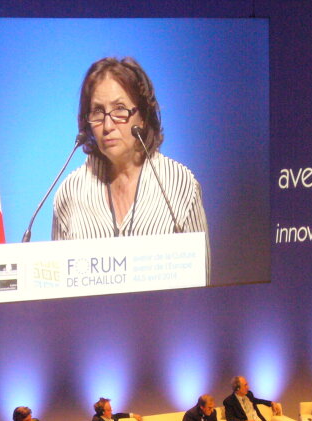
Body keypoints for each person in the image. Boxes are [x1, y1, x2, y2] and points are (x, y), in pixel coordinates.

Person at [52, 57, 210, 279]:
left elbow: (202, 281)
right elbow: (60, 291)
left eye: (120, 109)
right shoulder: (69, 192)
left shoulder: (180, 184)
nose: (108, 126)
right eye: (97, 112)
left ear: (143, 116)